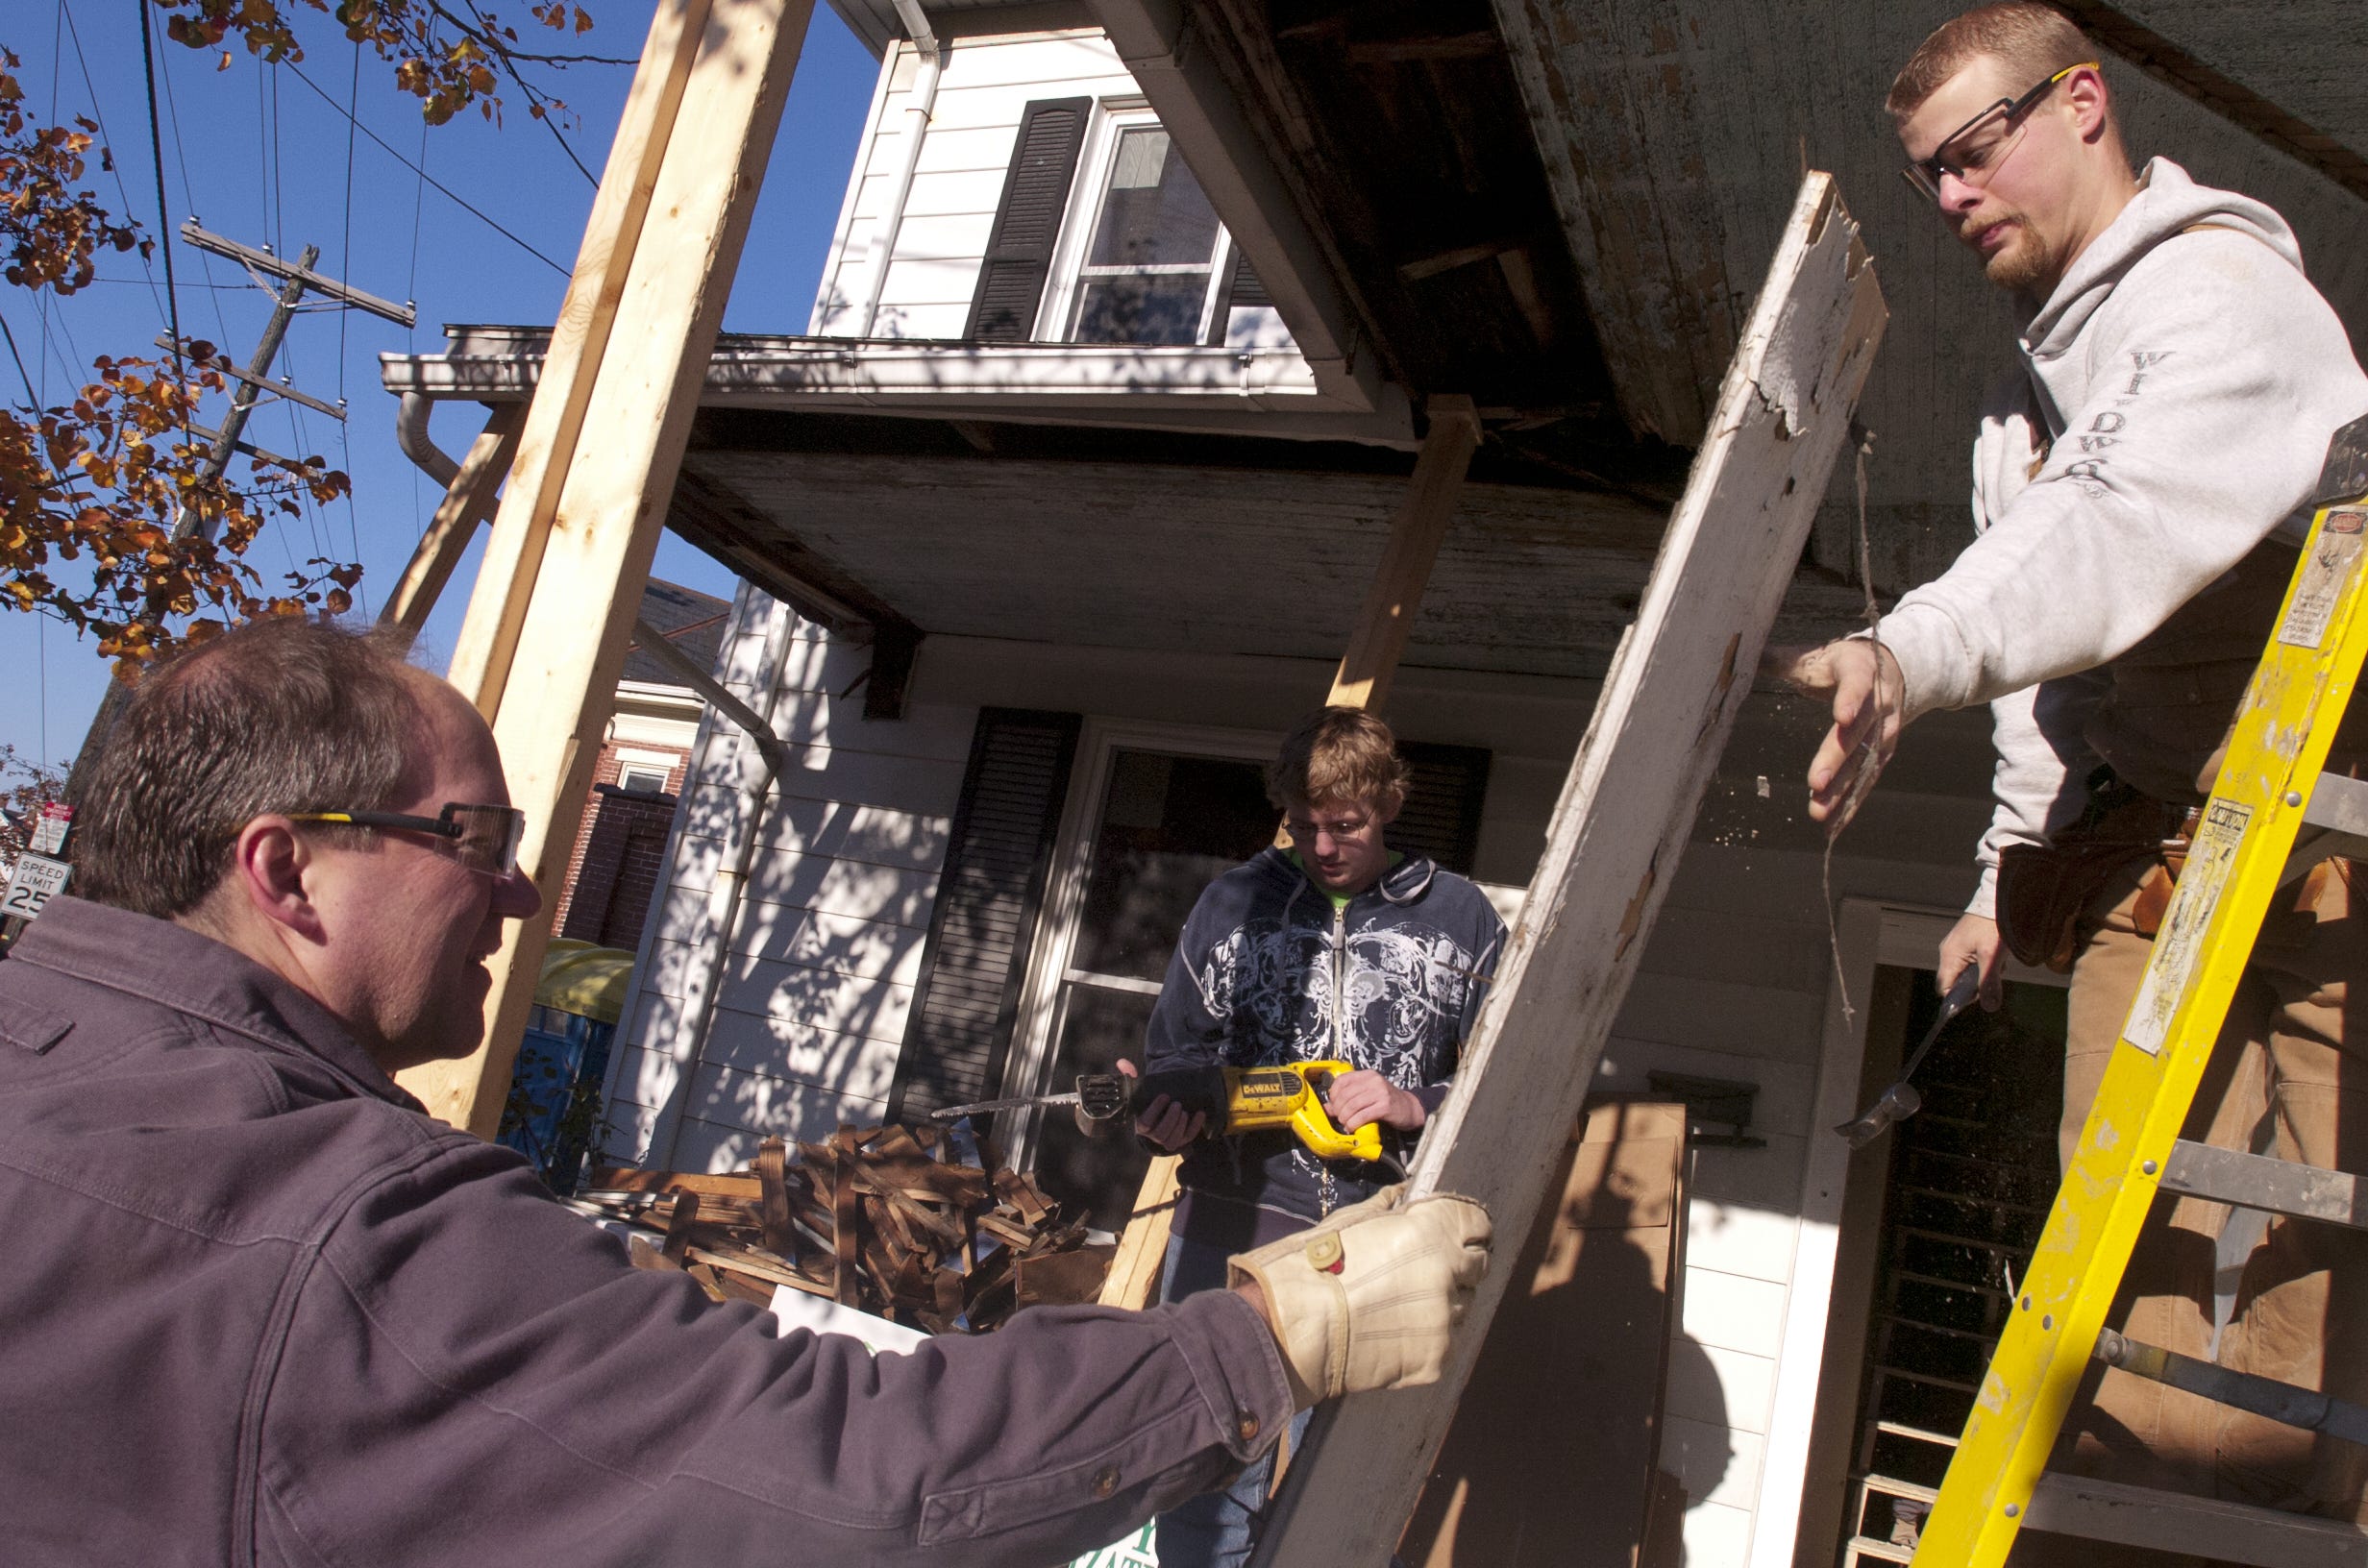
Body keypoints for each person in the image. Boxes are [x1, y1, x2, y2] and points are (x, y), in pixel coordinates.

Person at [0, 618, 1491, 1566]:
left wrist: (1408, 1119)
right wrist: (1259, 1341)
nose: (526, 887)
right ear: (286, 871)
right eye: (477, 838)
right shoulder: (340, 1233)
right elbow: (851, 1487)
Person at [1778, 2, 2368, 1543]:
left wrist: (1909, 651)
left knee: (2328, 1244)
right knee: (2124, 1238)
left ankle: (2277, 1521)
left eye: (1974, 152)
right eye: (1930, 178)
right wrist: (1993, 879)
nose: (1955, 196)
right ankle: (2122, 1520)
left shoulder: (2225, 301)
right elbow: (2056, 671)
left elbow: (2117, 524)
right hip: (2147, 854)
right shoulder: (2015, 415)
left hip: (2336, 853)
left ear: (2084, 102)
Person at [1131, 706, 1506, 1568]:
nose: (1323, 847)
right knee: (1206, 1472)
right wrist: (1166, 1113)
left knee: (1337, 1492)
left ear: (1389, 805)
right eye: (1304, 827)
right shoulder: (1233, 902)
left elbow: (1509, 1073)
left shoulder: (1459, 919)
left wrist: (1415, 1103)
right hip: (1232, 1230)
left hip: (1379, 1242)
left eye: (1346, 826)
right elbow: (1175, 1053)